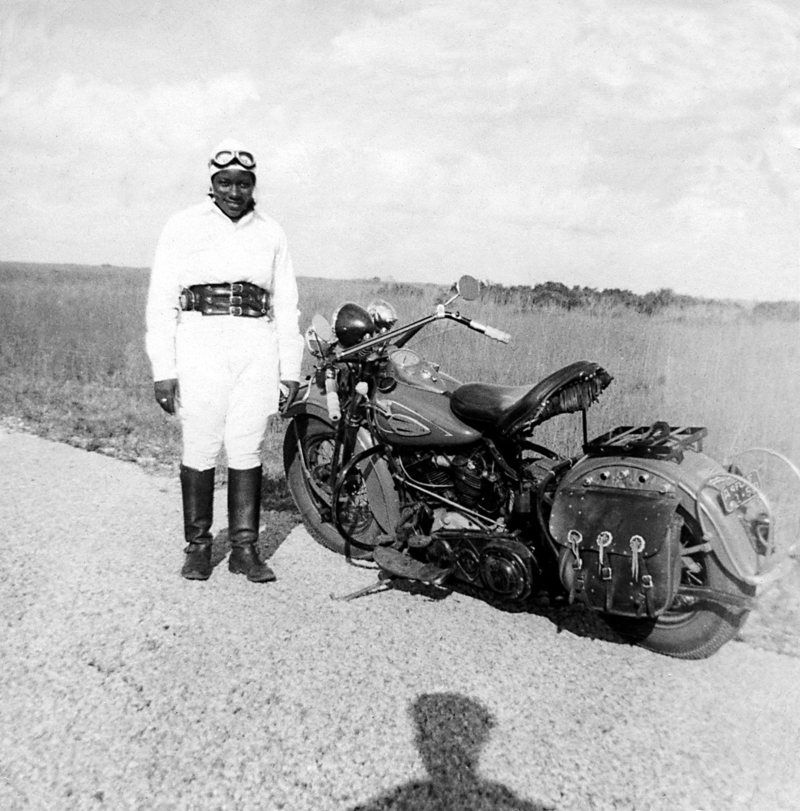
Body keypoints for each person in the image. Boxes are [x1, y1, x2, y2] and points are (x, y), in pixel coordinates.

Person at [145, 138, 304, 583]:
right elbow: (161, 302)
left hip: (255, 344)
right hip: (199, 342)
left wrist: (288, 368)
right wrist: (164, 369)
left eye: (243, 183)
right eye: (225, 182)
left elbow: (286, 303)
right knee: (200, 443)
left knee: (247, 443)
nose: (234, 192)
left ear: (254, 186)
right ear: (211, 184)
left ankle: (244, 550)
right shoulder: (182, 225)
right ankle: (198, 547)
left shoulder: (272, 231)